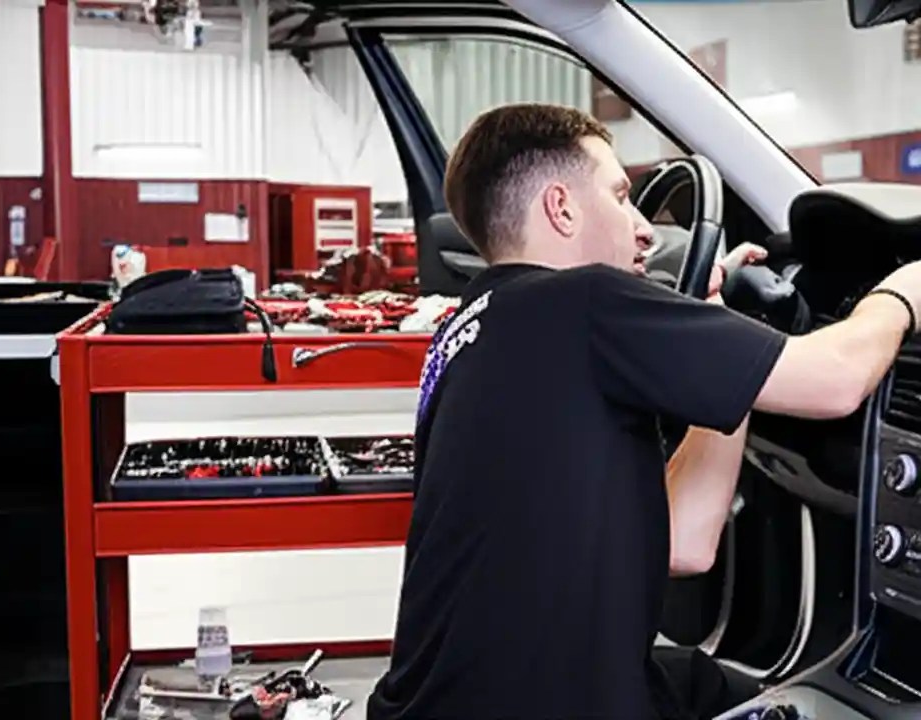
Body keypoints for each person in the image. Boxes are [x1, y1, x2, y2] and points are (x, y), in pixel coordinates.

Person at [364, 103, 921, 720]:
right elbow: (837, 380)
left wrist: (724, 336)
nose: (645, 229)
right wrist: (904, 294)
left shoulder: (470, 333)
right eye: (621, 195)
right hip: (547, 702)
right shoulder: (582, 302)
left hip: (457, 697)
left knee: (712, 686)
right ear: (562, 207)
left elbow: (686, 542)